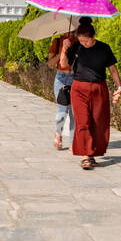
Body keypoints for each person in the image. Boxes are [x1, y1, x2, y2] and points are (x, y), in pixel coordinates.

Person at [64, 21, 121, 170]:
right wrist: (64, 48)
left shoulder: (104, 48)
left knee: (97, 122)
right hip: (79, 89)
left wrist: (119, 86)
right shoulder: (76, 47)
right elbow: (64, 65)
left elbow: (113, 70)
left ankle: (91, 154)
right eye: (81, 40)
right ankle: (85, 156)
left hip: (98, 88)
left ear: (93, 36)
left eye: (86, 40)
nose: (84, 43)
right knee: (83, 122)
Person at [46, 17, 88, 150]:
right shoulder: (57, 41)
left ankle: (73, 141)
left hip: (75, 78)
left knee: (74, 112)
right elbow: (50, 64)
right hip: (61, 78)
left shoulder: (80, 43)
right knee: (62, 110)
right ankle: (58, 134)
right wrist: (62, 50)